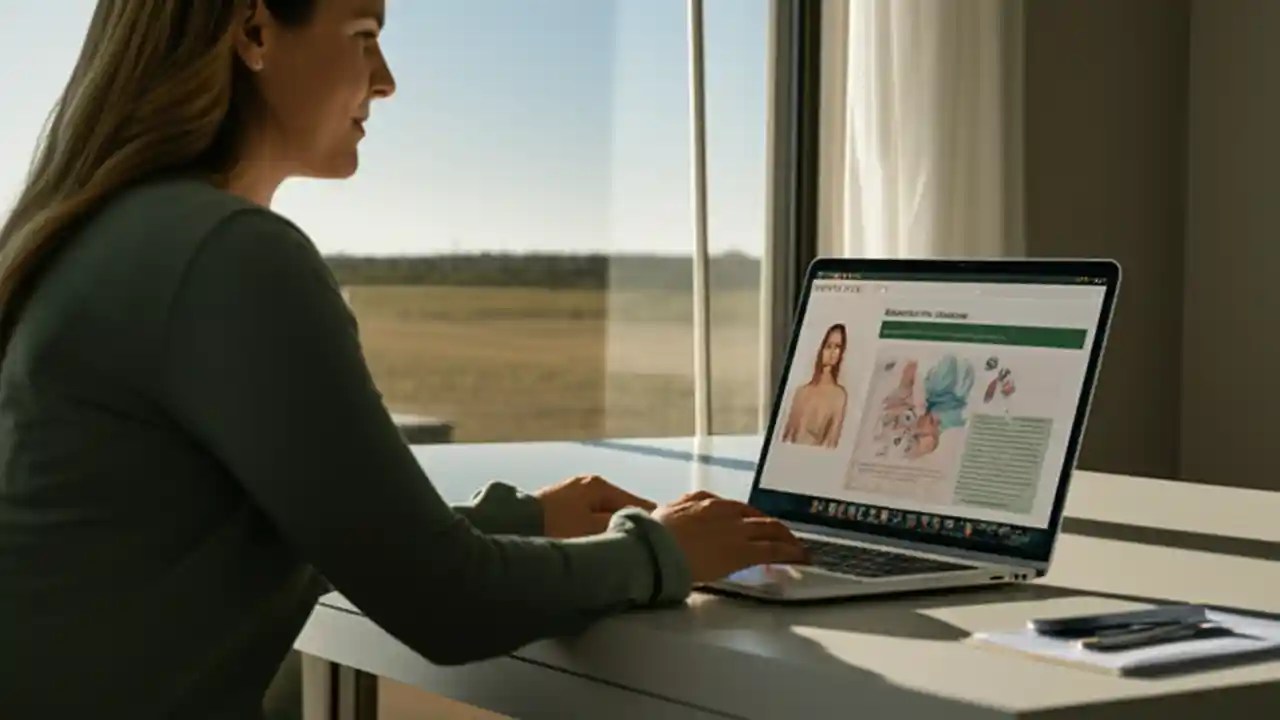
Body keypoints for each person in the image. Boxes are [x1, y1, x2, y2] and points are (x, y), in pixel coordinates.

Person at [0, 1, 806, 717]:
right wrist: (661, 551)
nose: (384, 82)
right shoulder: (227, 256)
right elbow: (443, 603)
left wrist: (520, 521)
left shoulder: (101, 233)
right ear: (251, 30)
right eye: (363, 35)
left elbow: (297, 522)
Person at [780, 323, 848, 448]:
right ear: (820, 348)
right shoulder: (801, 392)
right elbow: (786, 437)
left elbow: (831, 443)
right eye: (828, 346)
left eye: (838, 347)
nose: (833, 352)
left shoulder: (838, 396)